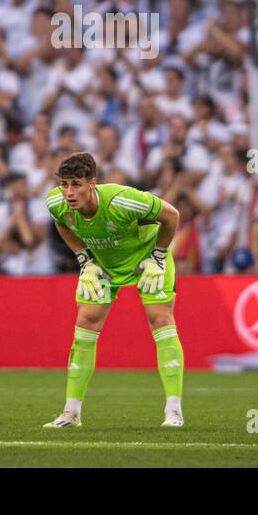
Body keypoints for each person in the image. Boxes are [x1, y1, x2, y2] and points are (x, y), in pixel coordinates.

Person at [42, 151, 184, 429]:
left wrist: (157, 257)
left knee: (161, 320)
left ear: (92, 183)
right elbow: (62, 223)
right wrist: (84, 258)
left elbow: (172, 215)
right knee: (85, 323)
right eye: (64, 184)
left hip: (146, 260)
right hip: (104, 263)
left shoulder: (124, 200)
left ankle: (174, 412)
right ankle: (71, 414)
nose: (69, 192)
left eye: (76, 184)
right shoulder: (56, 203)